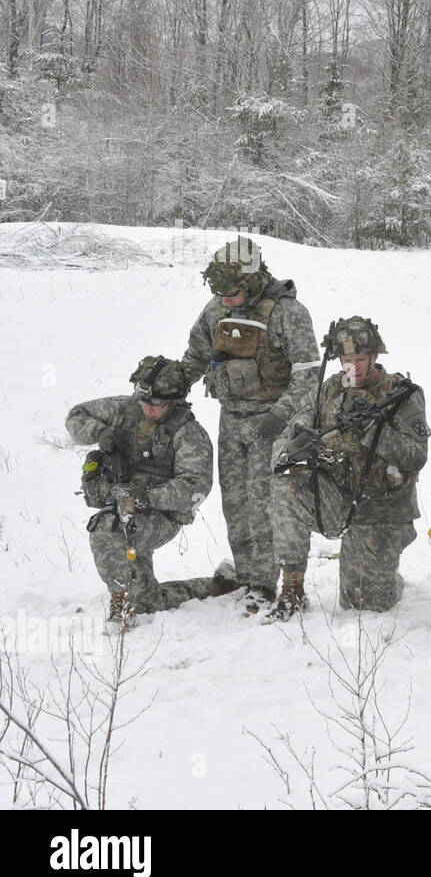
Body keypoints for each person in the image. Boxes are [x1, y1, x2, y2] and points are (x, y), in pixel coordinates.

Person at [180, 237, 320, 610]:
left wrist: (281, 414)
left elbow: (308, 375)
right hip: (231, 419)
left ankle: (264, 583)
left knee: (262, 506)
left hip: (271, 421)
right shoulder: (217, 310)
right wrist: (169, 387)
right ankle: (244, 574)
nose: (225, 300)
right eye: (220, 292)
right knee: (235, 504)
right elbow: (195, 355)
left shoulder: (289, 314)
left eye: (233, 292)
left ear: (253, 280)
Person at [269, 317, 430, 617]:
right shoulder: (328, 390)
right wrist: (292, 448)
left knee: (361, 602)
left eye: (360, 359)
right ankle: (292, 588)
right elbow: (286, 438)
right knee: (286, 487)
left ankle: (388, 577)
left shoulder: (401, 395)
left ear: (375, 356)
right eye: (346, 360)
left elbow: (417, 455)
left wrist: (373, 433)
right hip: (336, 498)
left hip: (382, 509)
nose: (353, 367)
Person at [67, 356, 218, 623]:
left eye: (157, 405)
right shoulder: (126, 410)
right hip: (120, 505)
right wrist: (101, 432)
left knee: (107, 528)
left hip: (160, 515)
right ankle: (217, 585)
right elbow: (76, 415)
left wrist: (147, 498)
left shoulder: (189, 432)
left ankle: (120, 602)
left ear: (172, 402)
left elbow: (196, 487)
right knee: (147, 602)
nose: (148, 408)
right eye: (144, 401)